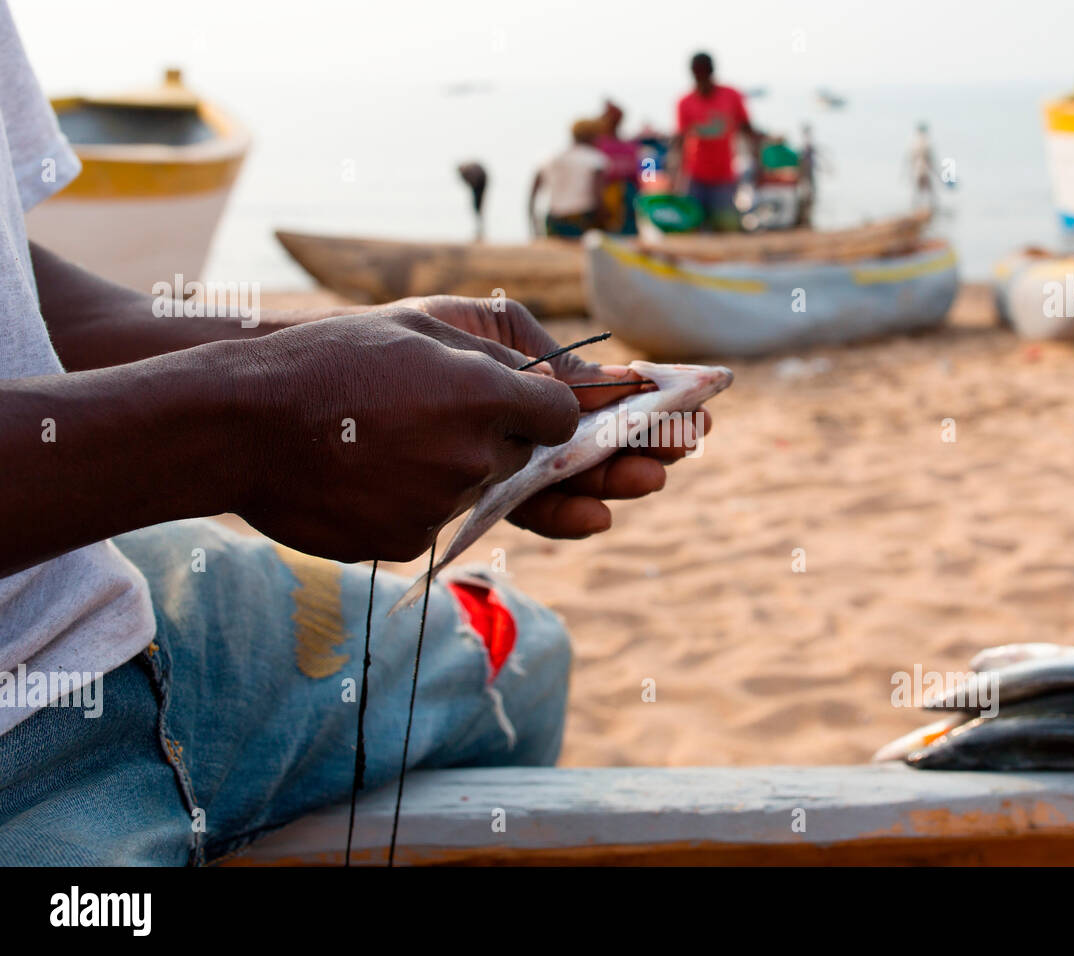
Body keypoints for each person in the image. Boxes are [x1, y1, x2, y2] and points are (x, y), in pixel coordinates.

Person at [0, 2, 710, 865]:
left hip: (78, 583)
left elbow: (28, 305)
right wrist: (244, 428)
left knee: (528, 655)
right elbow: (229, 420)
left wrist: (341, 351)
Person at [672, 51, 759, 232]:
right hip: (695, 176)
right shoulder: (685, 102)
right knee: (691, 227)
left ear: (711, 73)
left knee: (726, 226)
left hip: (724, 176)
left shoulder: (731, 96)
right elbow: (679, 142)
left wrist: (758, 163)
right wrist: (675, 178)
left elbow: (748, 130)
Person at [528, 118, 608, 238]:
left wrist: (533, 225)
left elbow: (533, 194)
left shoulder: (550, 158)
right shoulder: (595, 160)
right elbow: (597, 195)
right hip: (583, 220)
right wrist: (603, 224)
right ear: (593, 136)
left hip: (553, 220)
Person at [593, 100, 641, 235]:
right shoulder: (598, 144)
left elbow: (642, 171)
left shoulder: (629, 145)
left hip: (627, 195)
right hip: (606, 195)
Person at [908, 121, 938, 212]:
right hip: (923, 170)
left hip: (919, 170)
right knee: (927, 189)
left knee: (920, 190)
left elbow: (911, 159)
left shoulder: (915, 143)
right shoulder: (924, 142)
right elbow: (928, 158)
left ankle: (918, 207)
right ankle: (926, 207)